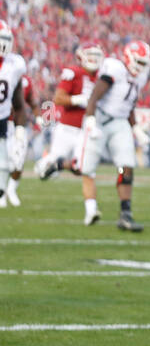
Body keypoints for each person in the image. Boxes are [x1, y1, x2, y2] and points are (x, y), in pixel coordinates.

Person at [78, 41, 150, 230]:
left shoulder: (140, 78)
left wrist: (136, 128)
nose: (141, 67)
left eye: (144, 63)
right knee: (87, 167)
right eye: (139, 62)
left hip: (120, 122)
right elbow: (95, 95)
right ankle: (91, 209)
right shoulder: (115, 68)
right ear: (129, 58)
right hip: (100, 119)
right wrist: (91, 118)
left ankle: (125, 214)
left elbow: (128, 105)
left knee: (126, 167)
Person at [36, 41, 104, 184]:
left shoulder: (101, 77)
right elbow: (58, 99)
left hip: (85, 129)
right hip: (67, 128)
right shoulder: (74, 72)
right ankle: (48, 165)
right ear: (82, 57)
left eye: (97, 55)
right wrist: (79, 99)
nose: (94, 59)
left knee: (82, 167)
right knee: (48, 164)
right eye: (91, 55)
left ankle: (58, 165)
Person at [0, 20, 30, 210]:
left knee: (6, 162)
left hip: (3, 120)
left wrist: (20, 130)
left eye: (6, 39)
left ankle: (6, 192)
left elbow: (27, 103)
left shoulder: (15, 66)